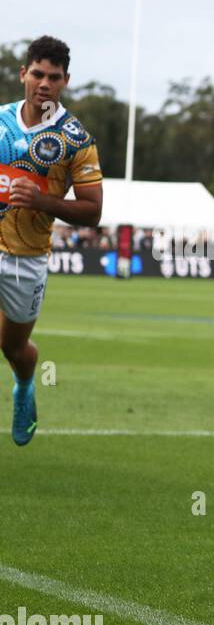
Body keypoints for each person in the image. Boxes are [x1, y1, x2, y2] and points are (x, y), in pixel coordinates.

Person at [0, 36, 104, 445]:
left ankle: (25, 384)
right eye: (38, 74)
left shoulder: (76, 140)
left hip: (27, 258)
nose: (44, 83)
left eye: (54, 77)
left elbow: (93, 211)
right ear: (23, 74)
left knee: (14, 349)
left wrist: (43, 200)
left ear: (65, 82)